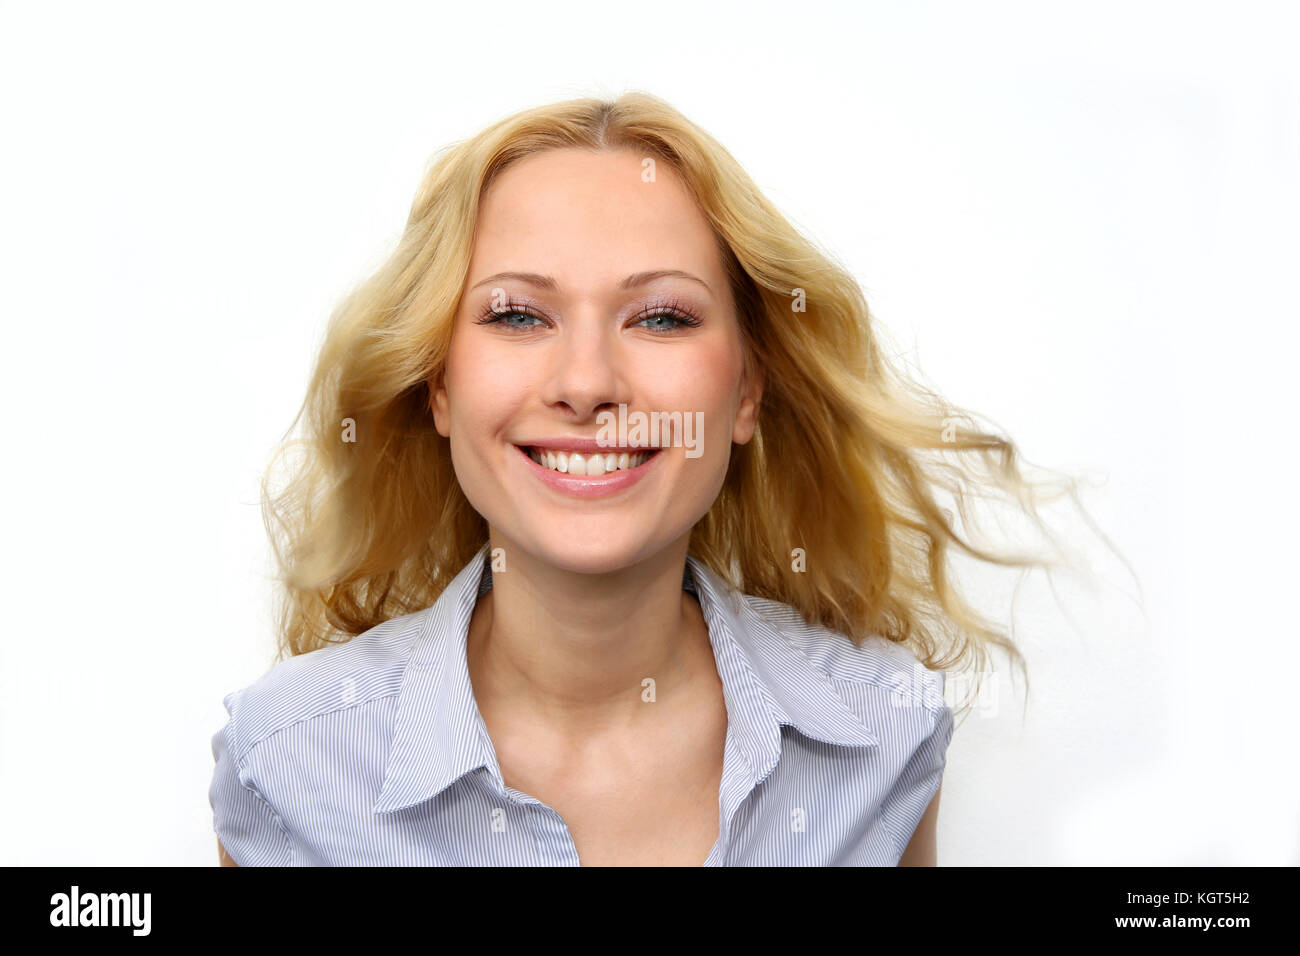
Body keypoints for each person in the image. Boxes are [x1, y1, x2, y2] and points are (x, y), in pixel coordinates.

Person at [209, 92, 1081, 866]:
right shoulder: (287, 762)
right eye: (517, 315)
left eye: (660, 317)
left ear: (746, 390)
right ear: (439, 385)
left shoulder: (885, 733)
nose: (586, 383)